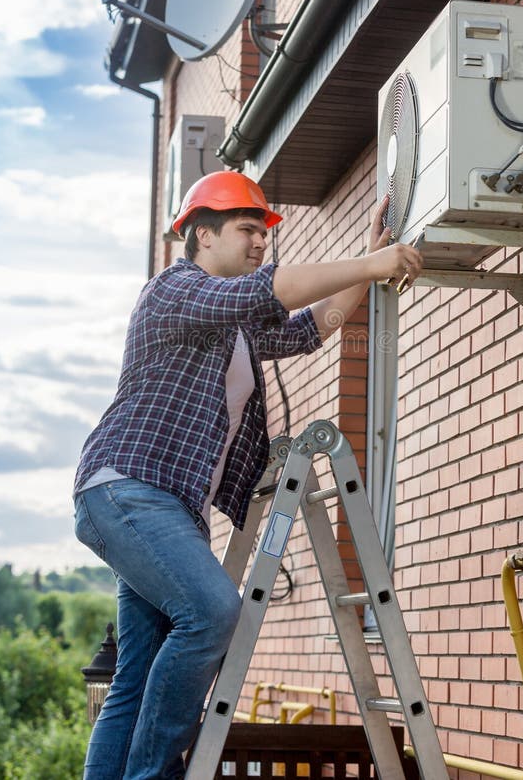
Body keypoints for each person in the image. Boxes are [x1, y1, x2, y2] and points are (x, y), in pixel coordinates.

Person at [73, 170, 423, 780]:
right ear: (201, 236)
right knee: (212, 612)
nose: (261, 241)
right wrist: (369, 263)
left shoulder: (230, 324)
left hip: (168, 508)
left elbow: (310, 327)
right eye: (247, 229)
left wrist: (370, 261)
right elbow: (268, 291)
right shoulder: (175, 290)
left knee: (136, 672)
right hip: (128, 489)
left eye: (264, 232)